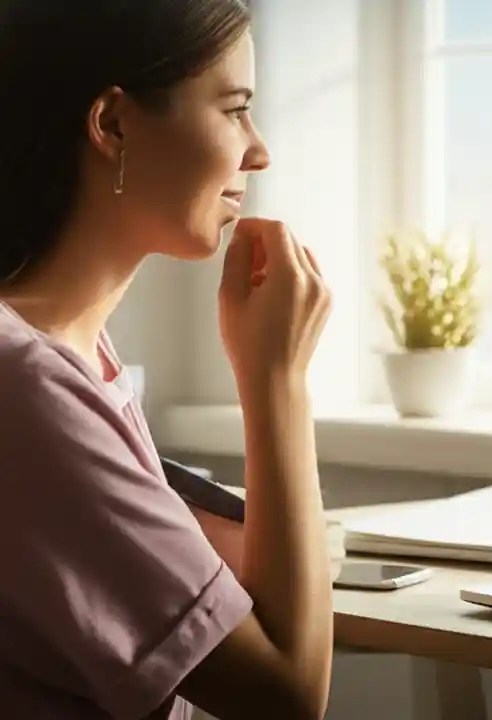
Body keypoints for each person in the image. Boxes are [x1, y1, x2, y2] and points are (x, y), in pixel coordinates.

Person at [0, 2, 333, 718]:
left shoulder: (72, 355)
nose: (260, 150)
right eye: (234, 110)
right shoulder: (24, 386)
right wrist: (277, 381)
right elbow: (289, 697)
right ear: (113, 125)